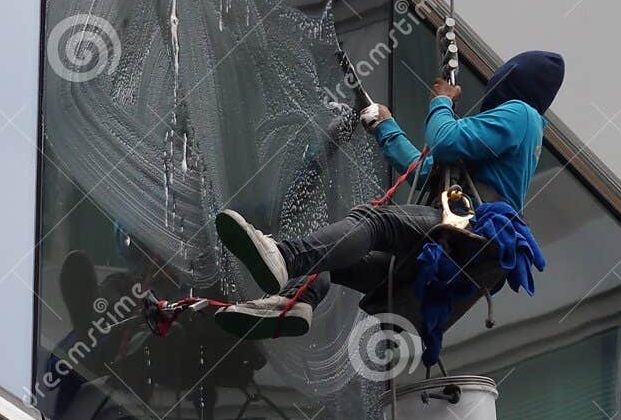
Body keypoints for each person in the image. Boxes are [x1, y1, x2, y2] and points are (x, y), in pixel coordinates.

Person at [211, 50, 565, 339]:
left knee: (374, 220)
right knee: (335, 257)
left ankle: (284, 256)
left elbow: (443, 141)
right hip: (459, 245)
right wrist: (384, 126)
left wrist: (441, 101)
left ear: (514, 80)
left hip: (468, 230)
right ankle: (295, 301)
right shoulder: (517, 136)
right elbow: (427, 172)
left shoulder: (520, 113)